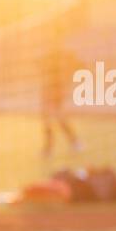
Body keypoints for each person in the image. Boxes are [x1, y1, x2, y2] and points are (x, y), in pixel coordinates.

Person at [39, 29, 84, 158]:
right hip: (47, 89)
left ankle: (74, 141)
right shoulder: (47, 57)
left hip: (57, 89)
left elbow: (75, 67)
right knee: (47, 118)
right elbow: (42, 71)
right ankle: (49, 148)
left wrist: (66, 86)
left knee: (58, 117)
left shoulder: (63, 56)